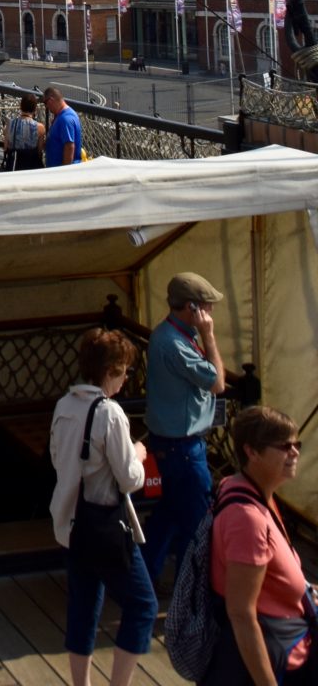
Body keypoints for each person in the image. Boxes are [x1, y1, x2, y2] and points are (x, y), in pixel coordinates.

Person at [50, 327, 157, 686]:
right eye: (124, 370)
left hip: (71, 524)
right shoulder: (110, 413)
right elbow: (129, 479)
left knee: (83, 608)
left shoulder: (64, 406)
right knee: (143, 606)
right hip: (106, 527)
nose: (126, 378)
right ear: (109, 370)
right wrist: (139, 455)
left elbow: (57, 458)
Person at [204, 406, 314, 686]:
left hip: (289, 636)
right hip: (280, 658)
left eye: (296, 444)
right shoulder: (246, 519)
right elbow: (241, 614)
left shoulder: (246, 489)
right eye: (284, 446)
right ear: (251, 452)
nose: (295, 453)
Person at [141, 270, 226, 586]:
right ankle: (188, 597)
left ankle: (144, 581)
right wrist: (210, 336)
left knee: (168, 516)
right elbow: (217, 383)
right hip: (184, 449)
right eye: (207, 306)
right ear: (192, 308)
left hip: (172, 444)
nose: (211, 313)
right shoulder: (175, 344)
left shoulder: (167, 335)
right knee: (196, 525)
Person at [3, 93, 46, 171]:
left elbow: (6, 147)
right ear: (35, 108)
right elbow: (40, 151)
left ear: (21, 106)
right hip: (31, 166)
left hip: (13, 165)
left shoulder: (10, 124)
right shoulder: (40, 127)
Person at [44, 85, 84, 165]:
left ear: (51, 100)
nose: (46, 107)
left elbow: (69, 146)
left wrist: (64, 172)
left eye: (45, 103)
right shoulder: (61, 116)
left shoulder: (65, 119)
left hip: (60, 172)